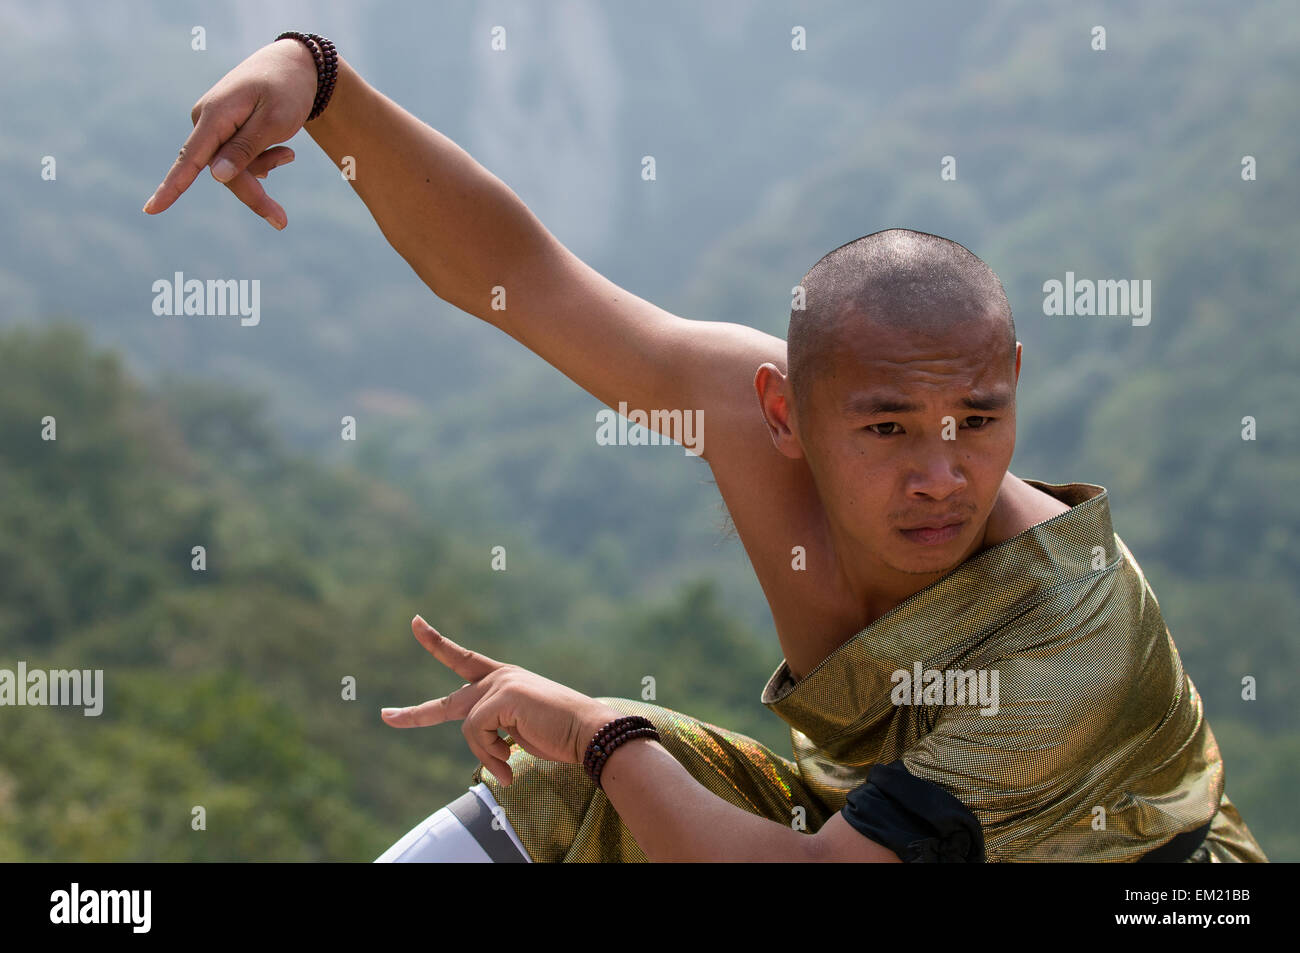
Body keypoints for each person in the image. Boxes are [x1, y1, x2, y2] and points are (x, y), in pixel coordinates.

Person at [144, 34, 1268, 863]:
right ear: (783, 412)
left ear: (1012, 385)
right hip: (861, 821)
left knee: (594, 765)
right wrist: (323, 83)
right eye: (886, 427)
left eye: (977, 420)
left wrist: (596, 727)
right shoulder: (746, 414)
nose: (942, 473)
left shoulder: (1067, 637)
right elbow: (520, 280)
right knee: (518, 822)